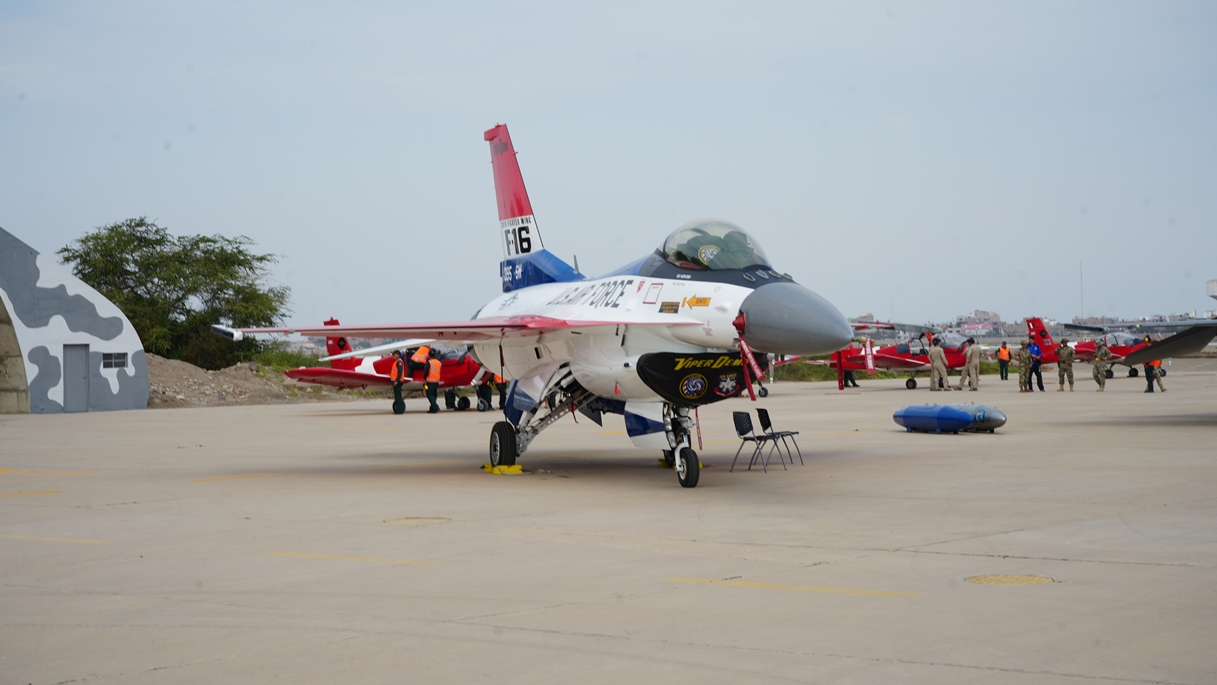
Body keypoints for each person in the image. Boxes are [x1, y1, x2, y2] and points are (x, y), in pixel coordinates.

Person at [424, 349, 443, 413]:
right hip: (436, 381)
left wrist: (425, 378)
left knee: (429, 394)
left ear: (429, 355)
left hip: (430, 381)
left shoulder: (429, 362)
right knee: (434, 395)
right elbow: (440, 371)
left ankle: (435, 407)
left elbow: (425, 372)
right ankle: (432, 408)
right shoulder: (439, 363)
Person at [389, 350, 407, 414]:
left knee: (398, 396)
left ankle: (400, 409)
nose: (393, 356)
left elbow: (399, 372)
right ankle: (400, 409)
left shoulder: (399, 362)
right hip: (396, 381)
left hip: (397, 381)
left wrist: (396, 381)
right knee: (398, 395)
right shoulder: (396, 362)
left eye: (394, 355)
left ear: (398, 355)